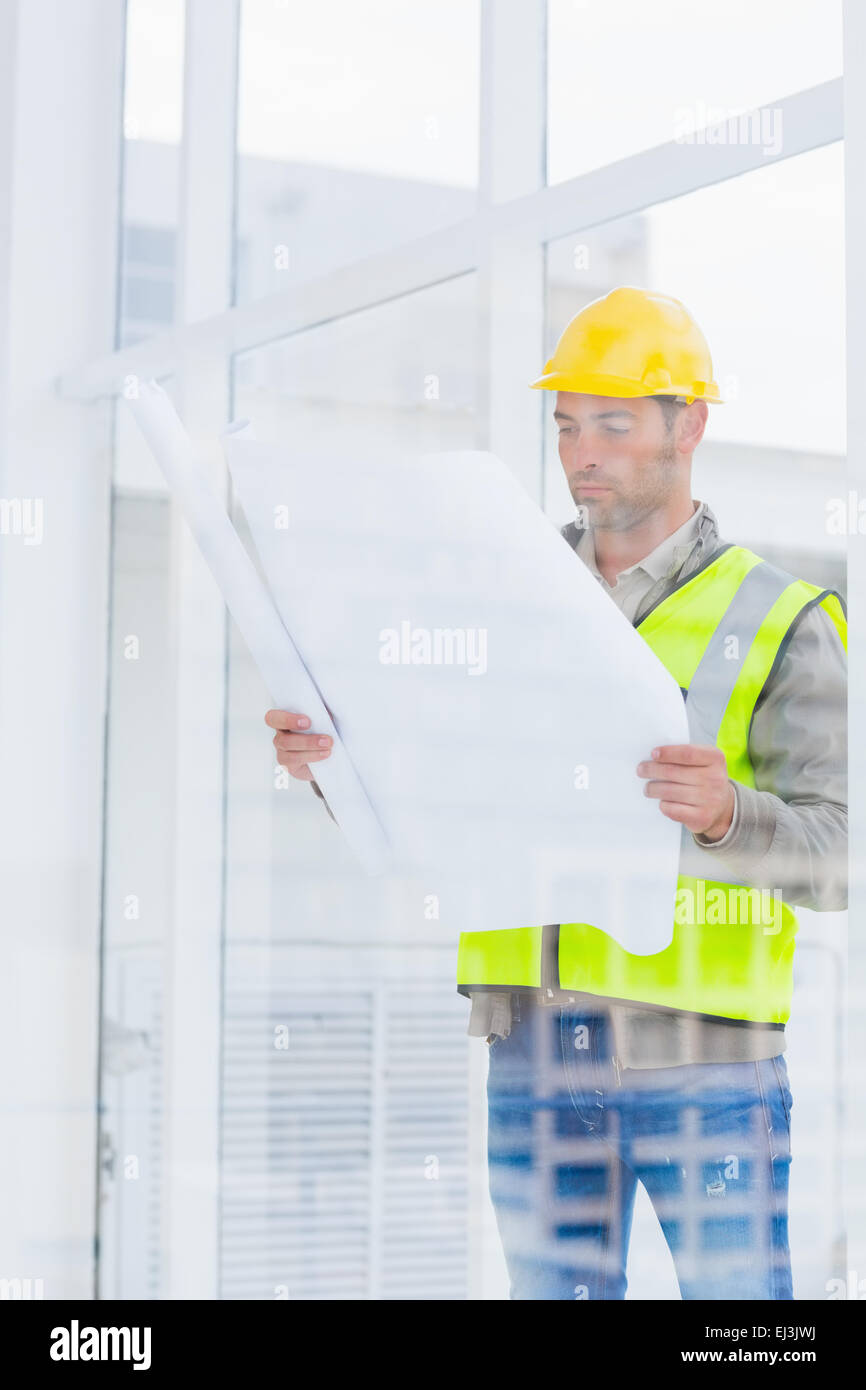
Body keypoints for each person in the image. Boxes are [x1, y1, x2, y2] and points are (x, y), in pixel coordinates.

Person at [264, 286, 847, 1301]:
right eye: (567, 426)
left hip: (704, 1059)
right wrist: (335, 768)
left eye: (613, 423)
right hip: (532, 1048)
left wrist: (723, 814)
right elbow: (435, 795)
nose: (582, 453)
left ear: (688, 423)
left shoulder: (780, 616)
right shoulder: (495, 597)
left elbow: (840, 854)